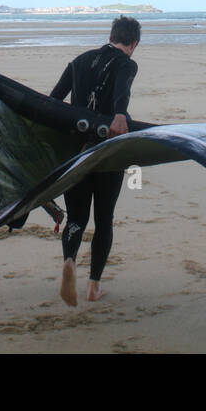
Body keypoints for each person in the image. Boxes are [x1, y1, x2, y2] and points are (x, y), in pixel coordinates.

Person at [49, 15, 140, 305]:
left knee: (76, 217)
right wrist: (120, 114)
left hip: (76, 154)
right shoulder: (127, 63)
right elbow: (121, 93)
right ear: (133, 43)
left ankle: (69, 262)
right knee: (103, 220)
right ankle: (93, 286)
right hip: (107, 154)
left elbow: (53, 101)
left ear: (111, 35)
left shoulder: (79, 61)